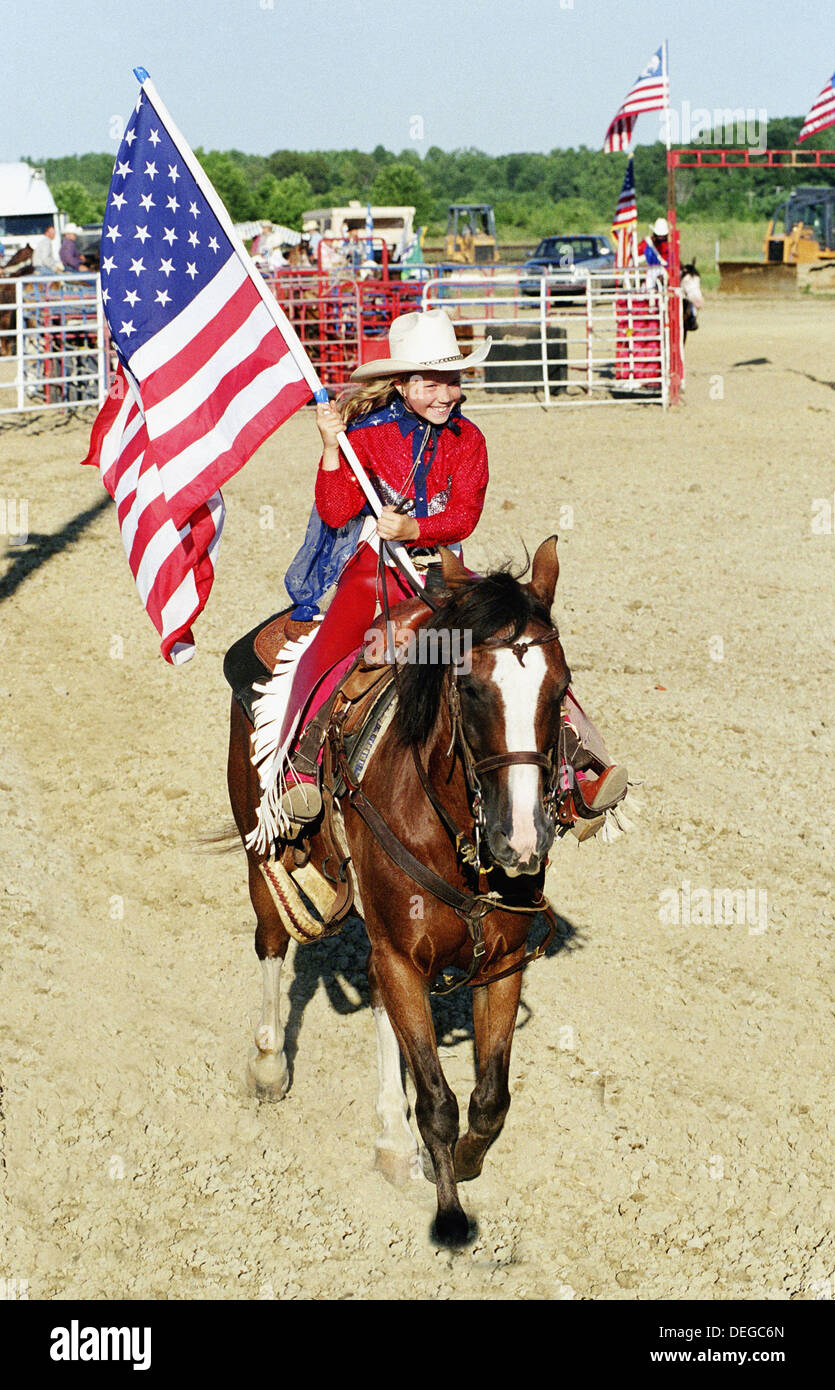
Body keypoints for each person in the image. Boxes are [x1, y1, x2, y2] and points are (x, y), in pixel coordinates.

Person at [259, 308, 627, 841]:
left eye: (451, 381)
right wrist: (331, 446)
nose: (445, 395)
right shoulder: (365, 434)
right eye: (431, 383)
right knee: (328, 652)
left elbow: (465, 514)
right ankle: (303, 766)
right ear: (403, 384)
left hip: (445, 570)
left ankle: (579, 769)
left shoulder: (467, 439)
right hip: (375, 570)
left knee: (523, 642)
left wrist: (413, 527)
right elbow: (337, 511)